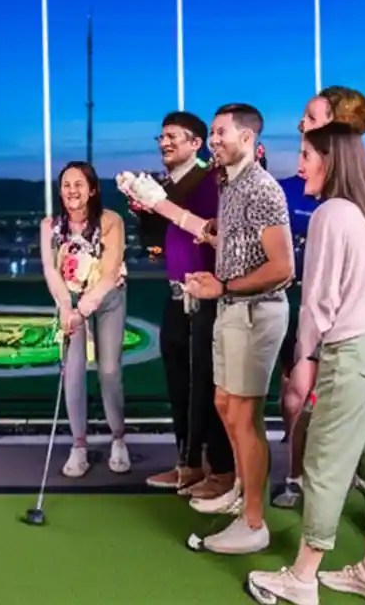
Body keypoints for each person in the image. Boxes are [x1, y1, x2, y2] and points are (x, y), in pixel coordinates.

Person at [245, 121, 365, 605]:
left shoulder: (330, 213)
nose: (299, 167)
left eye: (307, 155)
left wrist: (305, 358)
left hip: (353, 353)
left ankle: (302, 578)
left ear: (330, 161)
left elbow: (318, 301)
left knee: (322, 465)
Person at [182, 103, 293, 555]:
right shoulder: (229, 183)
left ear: (247, 138)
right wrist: (217, 243)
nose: (213, 141)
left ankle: (253, 522)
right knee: (225, 403)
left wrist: (223, 285)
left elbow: (283, 267)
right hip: (232, 309)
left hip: (255, 312)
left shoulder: (262, 188)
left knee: (246, 416)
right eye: (211, 133)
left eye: (220, 133)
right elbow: (246, 244)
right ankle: (240, 493)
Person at [273, 85, 365, 510]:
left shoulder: (357, 197)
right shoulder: (289, 187)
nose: (302, 124)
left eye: (312, 118)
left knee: (338, 403)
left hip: (344, 321)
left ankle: (345, 484)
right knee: (294, 396)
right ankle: (296, 476)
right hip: (297, 308)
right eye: (303, 117)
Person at [129, 112, 234, 499]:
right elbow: (155, 247)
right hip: (176, 296)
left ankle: (220, 469)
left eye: (173, 136)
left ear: (196, 143)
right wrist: (143, 210)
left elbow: (212, 231)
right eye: (161, 137)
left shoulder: (209, 180)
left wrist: (159, 203)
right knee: (179, 386)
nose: (164, 143)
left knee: (206, 385)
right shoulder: (168, 185)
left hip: (205, 298)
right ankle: (188, 464)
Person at [41, 160, 130, 478]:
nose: (72, 190)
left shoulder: (111, 221)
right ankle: (79, 445)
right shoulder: (50, 226)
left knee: (109, 370)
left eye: (79, 184)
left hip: (107, 299)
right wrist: (67, 308)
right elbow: (51, 270)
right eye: (66, 185)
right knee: (73, 373)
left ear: (92, 189)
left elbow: (109, 272)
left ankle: (118, 437)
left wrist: (84, 309)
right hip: (71, 305)